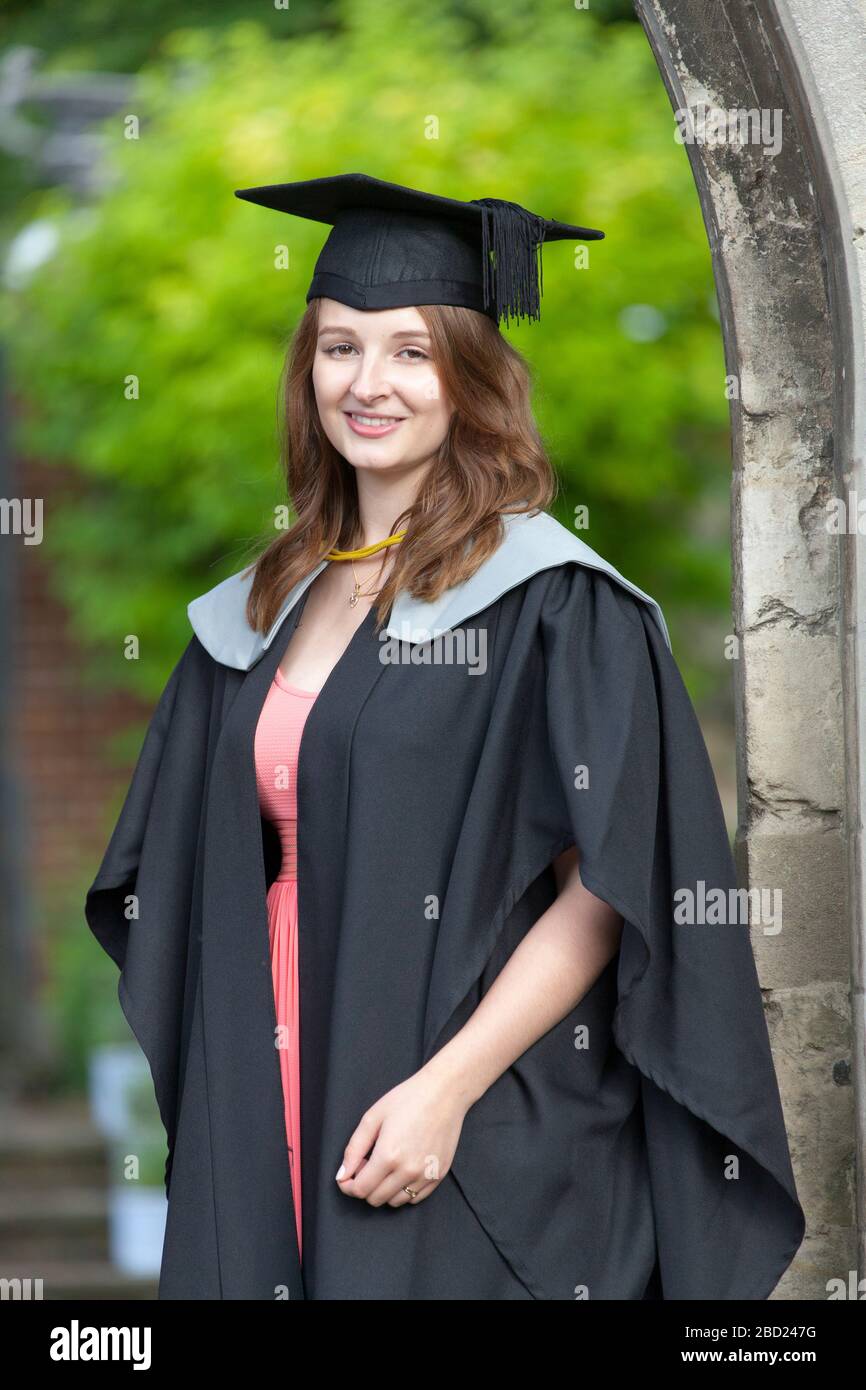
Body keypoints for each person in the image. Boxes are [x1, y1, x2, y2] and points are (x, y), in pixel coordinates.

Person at [85, 172, 805, 1301]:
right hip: (268, 1078)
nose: (367, 383)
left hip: (461, 1106)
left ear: (470, 379)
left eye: (410, 351)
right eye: (337, 348)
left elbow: (607, 885)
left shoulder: (550, 602)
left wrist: (445, 1089)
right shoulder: (261, 606)